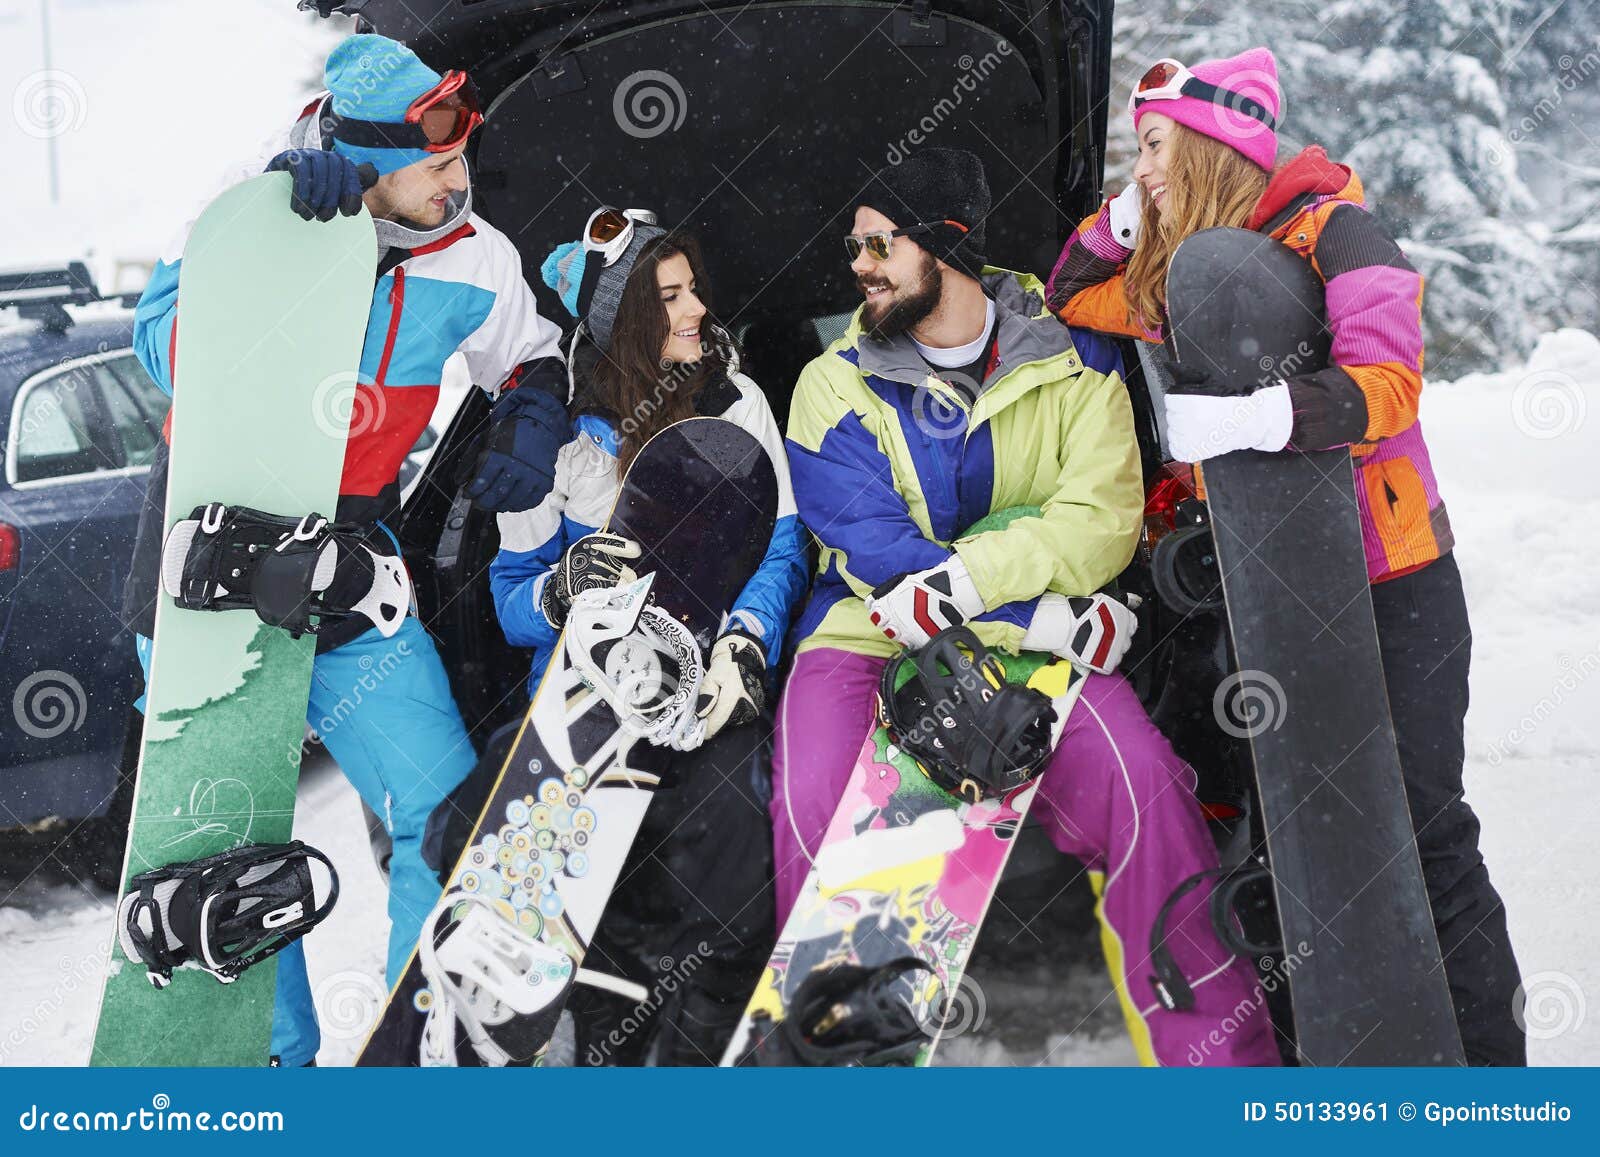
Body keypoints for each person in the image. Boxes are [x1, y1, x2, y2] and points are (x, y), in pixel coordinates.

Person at [1045, 47, 1524, 1067]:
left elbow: (1387, 384)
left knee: (1424, 828)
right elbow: (1070, 292)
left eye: (1158, 145)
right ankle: (1339, 1060)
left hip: (1392, 584)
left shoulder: (1338, 226)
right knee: (1302, 840)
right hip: (1275, 596)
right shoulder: (1185, 265)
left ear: (1217, 141)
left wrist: (1261, 416)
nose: (1145, 167)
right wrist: (1126, 218)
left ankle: (1498, 1079)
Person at [122, 34, 571, 1066]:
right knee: (234, 838)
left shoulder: (474, 253)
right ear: (367, 162)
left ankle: (418, 1046)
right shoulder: (249, 205)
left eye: (461, 161)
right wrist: (285, 247)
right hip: (210, 562)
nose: (459, 184)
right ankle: (273, 1064)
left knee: (448, 811)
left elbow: (530, 353)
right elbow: (166, 352)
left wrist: (531, 412)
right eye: (436, 165)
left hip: (346, 560)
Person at [775, 147, 1279, 1066]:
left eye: (880, 244)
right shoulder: (832, 382)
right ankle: (840, 1067)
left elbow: (1102, 523)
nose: (860, 265)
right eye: (855, 245)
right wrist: (1039, 613)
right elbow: (883, 562)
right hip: (870, 636)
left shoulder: (1077, 355)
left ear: (949, 245)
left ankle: (1221, 1070)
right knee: (816, 802)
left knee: (1147, 792)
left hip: (1045, 650)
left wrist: (992, 586)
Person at [486, 208, 809, 1064]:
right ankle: (609, 1050)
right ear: (623, 317)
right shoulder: (547, 435)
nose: (697, 307)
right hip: (590, 703)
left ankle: (704, 1050)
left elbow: (780, 544)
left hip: (706, 687)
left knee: (742, 857)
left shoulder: (735, 401)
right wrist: (559, 590)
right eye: (671, 296)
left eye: (694, 287)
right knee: (600, 914)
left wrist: (746, 642)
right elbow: (509, 600)